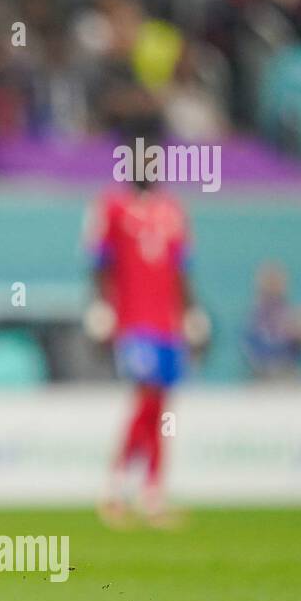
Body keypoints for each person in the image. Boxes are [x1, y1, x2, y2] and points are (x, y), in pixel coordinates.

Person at [84, 150, 209, 528]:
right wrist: (101, 306)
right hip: (133, 323)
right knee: (146, 399)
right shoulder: (112, 207)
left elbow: (181, 269)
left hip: (167, 324)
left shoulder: (173, 211)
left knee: (160, 409)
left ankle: (152, 494)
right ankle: (115, 489)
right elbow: (99, 263)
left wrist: (191, 313)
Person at [243, 262, 301, 381]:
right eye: (269, 283)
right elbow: (252, 350)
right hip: (262, 376)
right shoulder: (253, 318)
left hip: (289, 375)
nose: (272, 287)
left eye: (275, 283)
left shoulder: (293, 315)